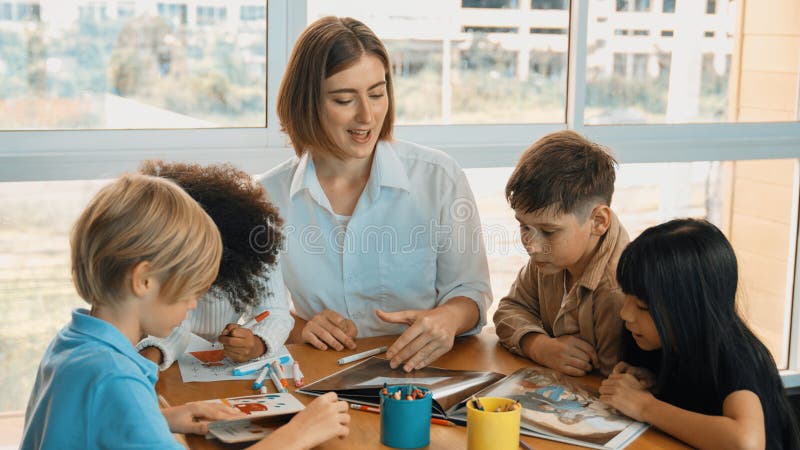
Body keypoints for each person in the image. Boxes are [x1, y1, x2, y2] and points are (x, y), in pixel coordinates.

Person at [20, 174, 350, 450]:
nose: (193, 305)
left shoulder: (73, 346)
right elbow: (117, 399)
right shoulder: (117, 379)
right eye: (190, 291)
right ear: (144, 281)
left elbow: (91, 422)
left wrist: (165, 418)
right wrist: (297, 434)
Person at [259, 16, 492, 372]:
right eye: (343, 99)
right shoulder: (268, 197)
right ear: (306, 104)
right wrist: (301, 327)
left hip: (423, 372)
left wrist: (447, 317)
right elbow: (257, 312)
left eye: (377, 93)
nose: (367, 115)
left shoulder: (438, 177)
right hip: (322, 375)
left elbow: (472, 292)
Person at [599, 219, 800, 449]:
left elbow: (746, 443)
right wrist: (655, 385)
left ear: (690, 309)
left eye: (643, 307)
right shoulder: (659, 344)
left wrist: (646, 406)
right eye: (627, 297)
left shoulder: (735, 355)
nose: (625, 314)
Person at [493, 130, 629, 376]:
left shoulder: (616, 290)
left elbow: (612, 386)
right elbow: (509, 309)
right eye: (524, 226)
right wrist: (540, 346)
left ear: (598, 221)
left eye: (548, 231)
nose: (531, 244)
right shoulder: (552, 255)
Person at [136, 161, 294, 368]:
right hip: (169, 359)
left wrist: (255, 344)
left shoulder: (254, 245)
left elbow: (276, 314)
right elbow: (177, 325)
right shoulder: (169, 255)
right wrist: (154, 352)